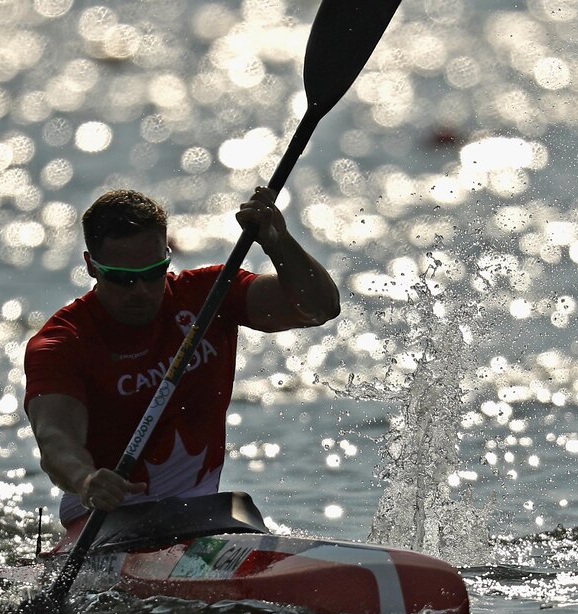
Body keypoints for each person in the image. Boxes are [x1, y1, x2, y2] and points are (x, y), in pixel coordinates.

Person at [23, 186, 340, 535]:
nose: (141, 290)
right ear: (91, 266)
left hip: (201, 516)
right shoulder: (62, 343)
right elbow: (55, 441)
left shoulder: (209, 296)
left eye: (154, 271)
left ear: (167, 255)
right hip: (105, 519)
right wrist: (85, 481)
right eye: (123, 278)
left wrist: (278, 243)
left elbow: (319, 308)